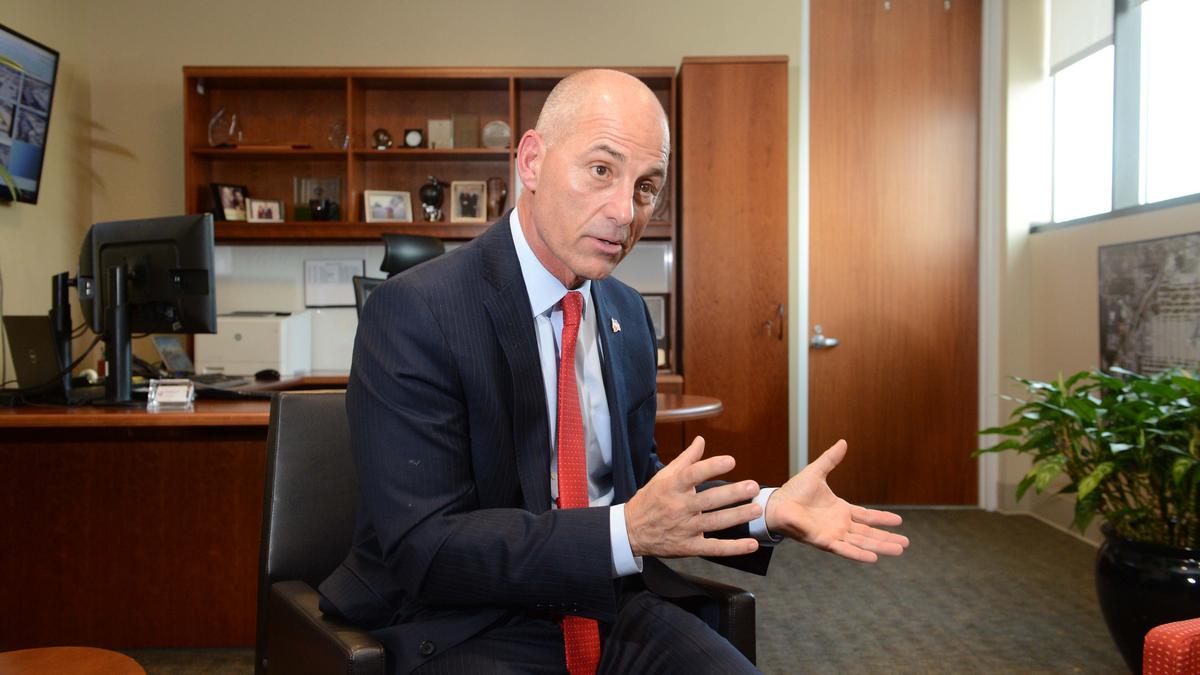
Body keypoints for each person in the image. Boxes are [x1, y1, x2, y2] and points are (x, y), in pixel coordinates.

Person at [319, 69, 909, 675]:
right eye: (601, 170)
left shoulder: (625, 310)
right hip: (465, 622)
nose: (625, 211)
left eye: (647, 186)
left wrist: (766, 508)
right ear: (531, 160)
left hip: (610, 602)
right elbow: (428, 548)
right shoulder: (418, 310)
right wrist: (625, 533)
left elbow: (639, 481)